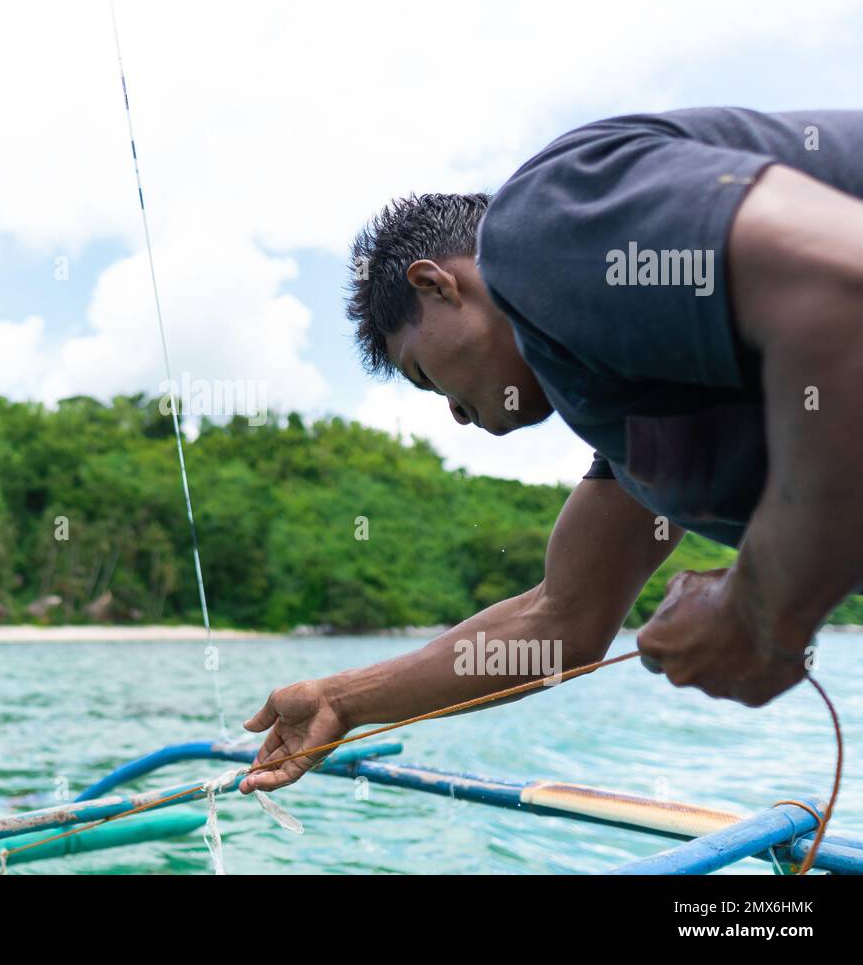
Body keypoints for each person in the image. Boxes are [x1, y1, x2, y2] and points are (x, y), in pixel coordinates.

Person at [241, 108, 863, 795]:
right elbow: (563, 620)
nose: (450, 409)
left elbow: (842, 288)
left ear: (436, 283)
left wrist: (759, 605)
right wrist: (343, 699)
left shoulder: (538, 229)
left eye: (424, 373)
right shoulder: (634, 401)